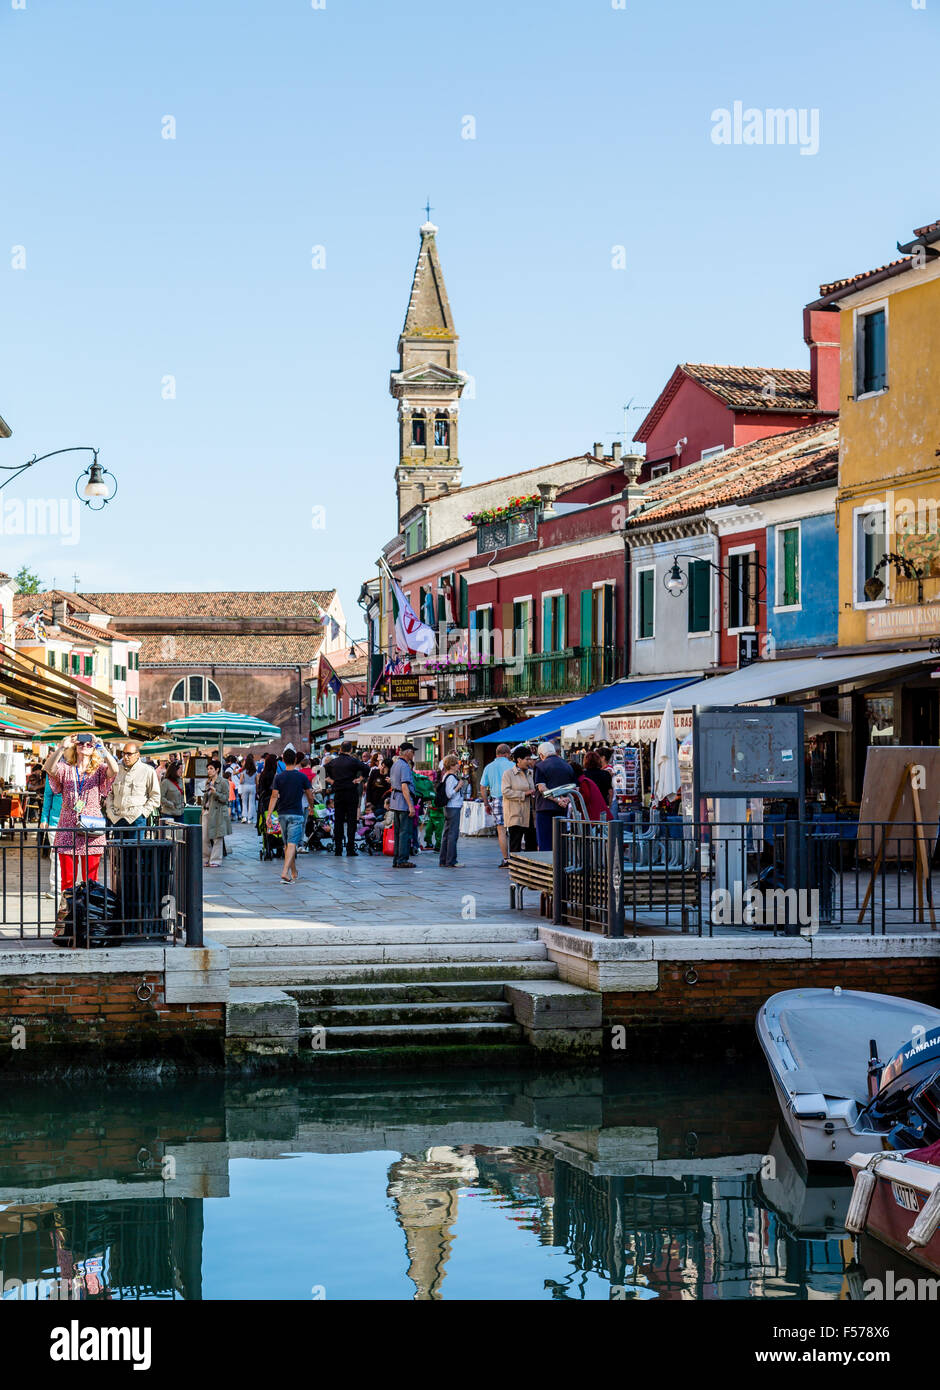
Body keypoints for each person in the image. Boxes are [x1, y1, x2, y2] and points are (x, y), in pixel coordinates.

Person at [43, 733, 119, 889]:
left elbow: (115, 769)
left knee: (91, 880)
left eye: (89, 745)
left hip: (91, 828)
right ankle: (69, 911)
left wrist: (102, 747)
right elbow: (49, 768)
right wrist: (61, 747)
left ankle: (89, 912)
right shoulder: (66, 769)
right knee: (67, 880)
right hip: (67, 826)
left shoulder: (99, 770)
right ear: (75, 748)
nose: (84, 746)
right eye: (81, 744)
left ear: (93, 749)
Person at [267, 748, 315, 882]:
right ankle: (284, 872)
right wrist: (311, 807)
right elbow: (309, 794)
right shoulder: (301, 776)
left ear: (283, 761)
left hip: (282, 813)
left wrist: (269, 814)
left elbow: (274, 796)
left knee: (288, 845)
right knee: (292, 844)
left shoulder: (279, 777)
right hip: (296, 813)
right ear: (295, 760)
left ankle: (294, 871)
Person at [105, 741, 161, 837]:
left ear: (137, 755)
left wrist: (143, 813)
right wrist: (110, 812)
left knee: (136, 851)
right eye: (124, 753)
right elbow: (109, 793)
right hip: (117, 818)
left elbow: (155, 796)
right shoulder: (116, 770)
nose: (125, 757)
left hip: (136, 819)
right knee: (119, 851)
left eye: (129, 754)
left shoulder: (147, 771)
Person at [326, 741, 371, 856]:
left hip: (339, 793)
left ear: (340, 749)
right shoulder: (353, 761)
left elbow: (320, 770)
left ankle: (338, 848)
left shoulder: (333, 762)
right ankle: (350, 848)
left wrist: (330, 781)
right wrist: (360, 779)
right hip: (351, 792)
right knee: (351, 821)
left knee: (338, 821)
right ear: (350, 750)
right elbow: (367, 768)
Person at [533, 740, 575, 851]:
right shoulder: (567, 765)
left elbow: (542, 788)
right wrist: (565, 800)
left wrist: (557, 800)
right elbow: (574, 788)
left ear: (541, 755)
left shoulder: (540, 766)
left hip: (544, 808)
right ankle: (560, 866)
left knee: (545, 842)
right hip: (562, 809)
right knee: (560, 840)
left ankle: (548, 866)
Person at [480, 743, 514, 868]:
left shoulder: (489, 767)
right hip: (512, 798)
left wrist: (486, 803)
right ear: (507, 754)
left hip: (497, 800)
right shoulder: (512, 765)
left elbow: (483, 787)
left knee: (501, 830)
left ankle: (506, 859)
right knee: (515, 828)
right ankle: (516, 857)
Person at [502, 745, 537, 852]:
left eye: (530, 759)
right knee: (515, 844)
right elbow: (505, 791)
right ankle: (514, 866)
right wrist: (524, 794)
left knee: (531, 844)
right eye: (527, 759)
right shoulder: (508, 774)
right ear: (519, 760)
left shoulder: (531, 773)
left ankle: (530, 867)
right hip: (515, 814)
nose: (530, 761)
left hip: (530, 814)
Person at [389, 742, 417, 869]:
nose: (413, 754)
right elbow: (405, 787)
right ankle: (402, 860)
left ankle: (397, 859)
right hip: (403, 802)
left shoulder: (395, 764)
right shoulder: (405, 766)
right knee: (405, 833)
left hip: (396, 801)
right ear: (407, 752)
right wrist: (410, 806)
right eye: (412, 751)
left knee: (398, 832)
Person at [438, 754, 467, 868]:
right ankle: (451, 860)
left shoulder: (446, 776)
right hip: (453, 807)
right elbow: (449, 793)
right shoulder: (450, 777)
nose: (458, 766)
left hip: (450, 807)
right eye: (456, 764)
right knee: (452, 835)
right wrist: (458, 786)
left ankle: (443, 859)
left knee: (447, 834)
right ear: (451, 765)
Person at [202, 758, 231, 867]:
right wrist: (203, 808)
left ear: (217, 770)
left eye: (211, 769)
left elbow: (225, 798)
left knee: (217, 837)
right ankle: (205, 858)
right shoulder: (208, 781)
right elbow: (206, 797)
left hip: (218, 813)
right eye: (208, 769)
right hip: (207, 811)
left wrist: (216, 793)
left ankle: (215, 860)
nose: (209, 771)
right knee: (204, 836)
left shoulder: (223, 782)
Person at [39, 766, 63, 896]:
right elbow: (48, 795)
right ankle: (56, 887)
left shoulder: (80, 768)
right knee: (56, 856)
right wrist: (44, 818)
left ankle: (75, 886)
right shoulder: (54, 770)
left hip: (75, 822)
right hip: (55, 820)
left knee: (77, 856)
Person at [568, 758, 612, 822]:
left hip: (595, 819)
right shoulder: (585, 780)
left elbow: (584, 798)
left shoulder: (584, 782)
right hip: (598, 817)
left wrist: (572, 794)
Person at [239, 754, 257, 824]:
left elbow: (240, 781)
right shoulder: (254, 771)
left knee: (244, 803)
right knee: (252, 803)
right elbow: (256, 781)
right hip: (252, 786)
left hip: (245, 786)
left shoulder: (243, 770)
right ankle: (250, 818)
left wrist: (244, 781)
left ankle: (244, 817)